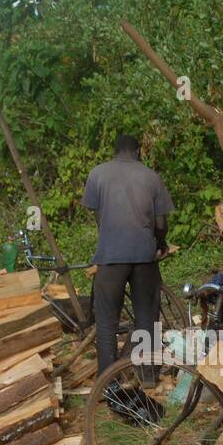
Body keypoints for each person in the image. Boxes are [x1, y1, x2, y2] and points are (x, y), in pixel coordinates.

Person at [80, 134, 174, 374]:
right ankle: (149, 374)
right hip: (144, 256)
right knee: (146, 317)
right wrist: (160, 244)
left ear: (115, 151)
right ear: (138, 151)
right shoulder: (151, 176)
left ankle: (107, 383)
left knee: (106, 322)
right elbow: (161, 223)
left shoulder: (97, 174)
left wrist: (111, 239)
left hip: (110, 258)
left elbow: (98, 216)